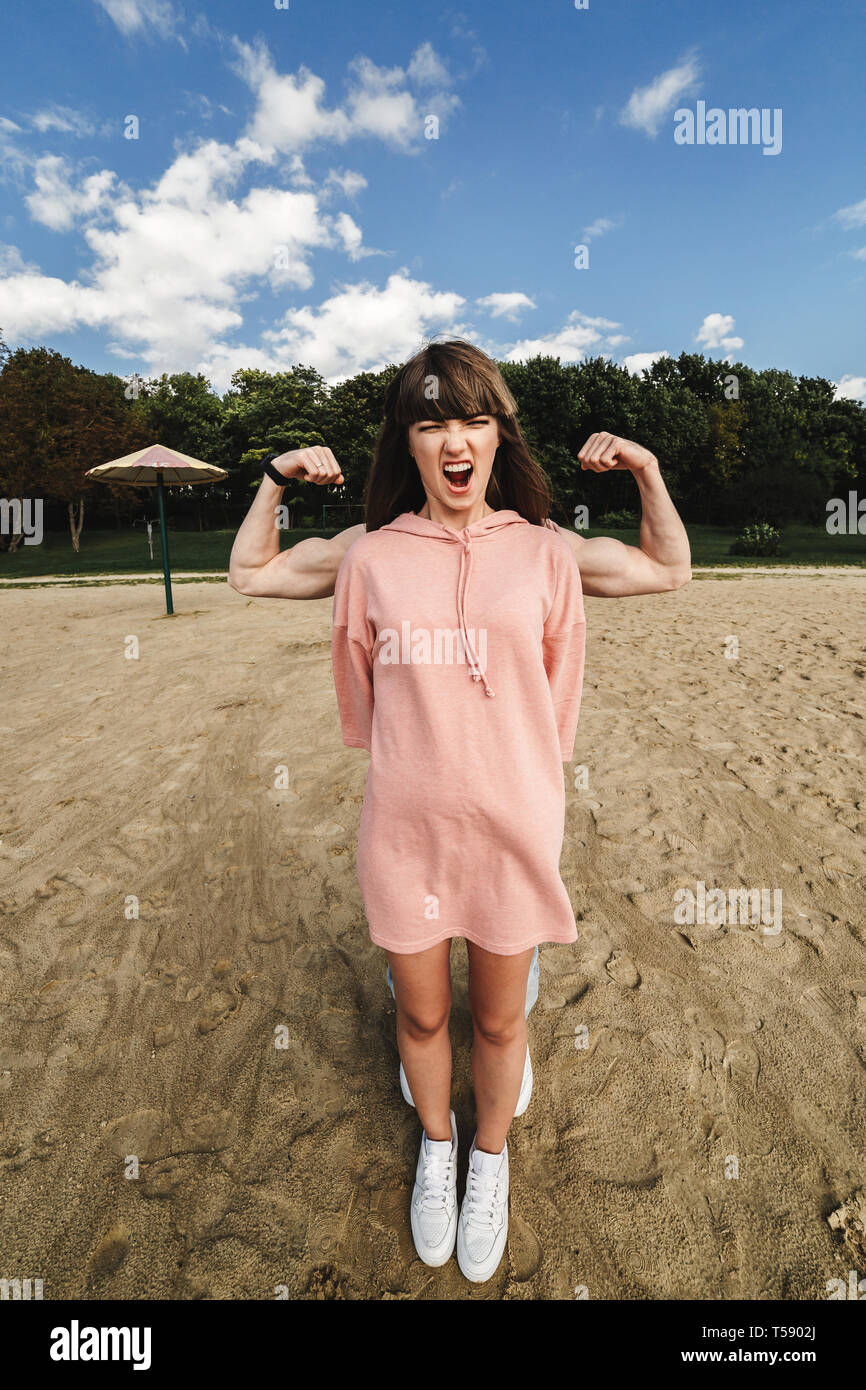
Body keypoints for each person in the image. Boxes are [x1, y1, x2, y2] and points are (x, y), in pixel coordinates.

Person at [228, 337, 691, 1283]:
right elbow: (251, 574)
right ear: (408, 441)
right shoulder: (372, 550)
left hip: (516, 825)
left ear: (495, 436)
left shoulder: (544, 547)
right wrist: (274, 479)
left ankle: (490, 1158)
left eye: (473, 419)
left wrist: (645, 469)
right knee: (424, 1017)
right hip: (407, 828)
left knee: (499, 1024)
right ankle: (437, 1149)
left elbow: (668, 568)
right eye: (432, 420)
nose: (454, 439)